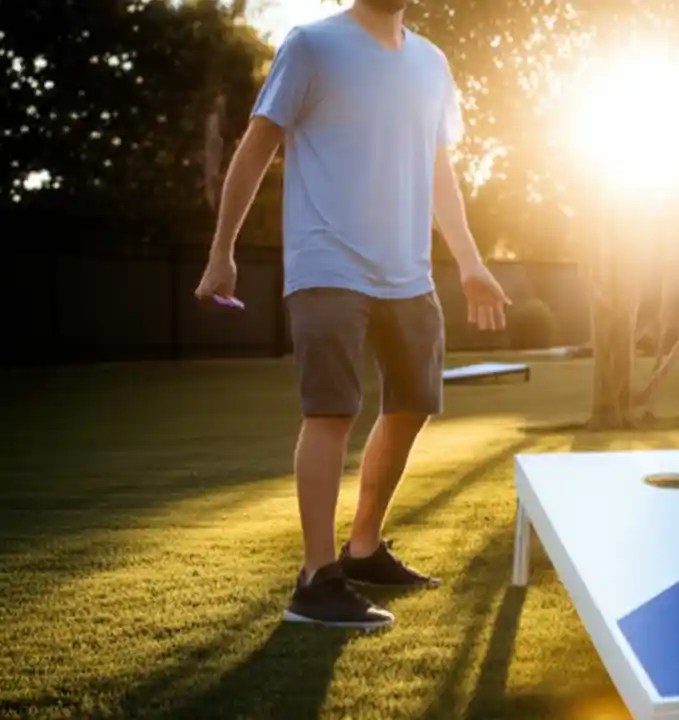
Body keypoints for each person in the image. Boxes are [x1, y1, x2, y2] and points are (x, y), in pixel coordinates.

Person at [194, 0, 511, 629]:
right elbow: (258, 146)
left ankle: (363, 547)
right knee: (332, 410)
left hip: (409, 272)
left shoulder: (431, 62)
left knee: (415, 403)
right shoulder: (312, 45)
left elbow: (438, 169)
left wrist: (470, 261)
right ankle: (316, 579)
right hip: (327, 262)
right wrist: (221, 251)